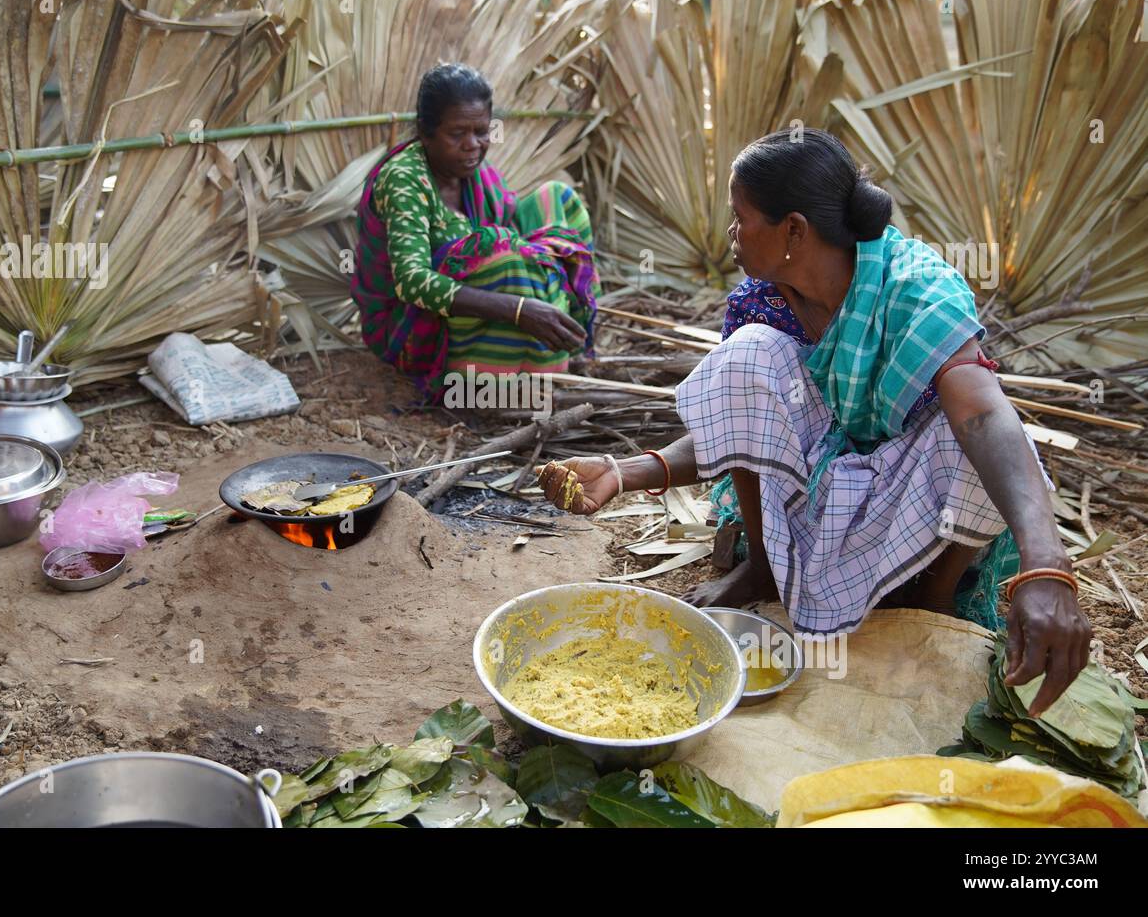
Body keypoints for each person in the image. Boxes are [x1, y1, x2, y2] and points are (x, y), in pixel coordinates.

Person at [538, 128, 1090, 717]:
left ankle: (933, 596)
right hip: (813, 492)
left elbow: (982, 414)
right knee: (746, 355)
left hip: (908, 501)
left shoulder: (915, 289)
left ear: (794, 231)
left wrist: (1048, 568)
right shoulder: (763, 301)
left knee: (977, 438)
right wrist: (623, 473)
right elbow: (740, 424)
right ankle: (766, 569)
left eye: (739, 216)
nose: (730, 231)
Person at [352, 63, 599, 401]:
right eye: (457, 134)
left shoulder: (476, 174)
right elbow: (410, 282)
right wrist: (519, 309)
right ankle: (501, 384)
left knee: (559, 200)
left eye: (481, 132)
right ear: (425, 133)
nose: (473, 145)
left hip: (482, 305)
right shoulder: (404, 179)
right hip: (413, 326)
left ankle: (555, 339)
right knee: (503, 261)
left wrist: (534, 276)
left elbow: (510, 225)